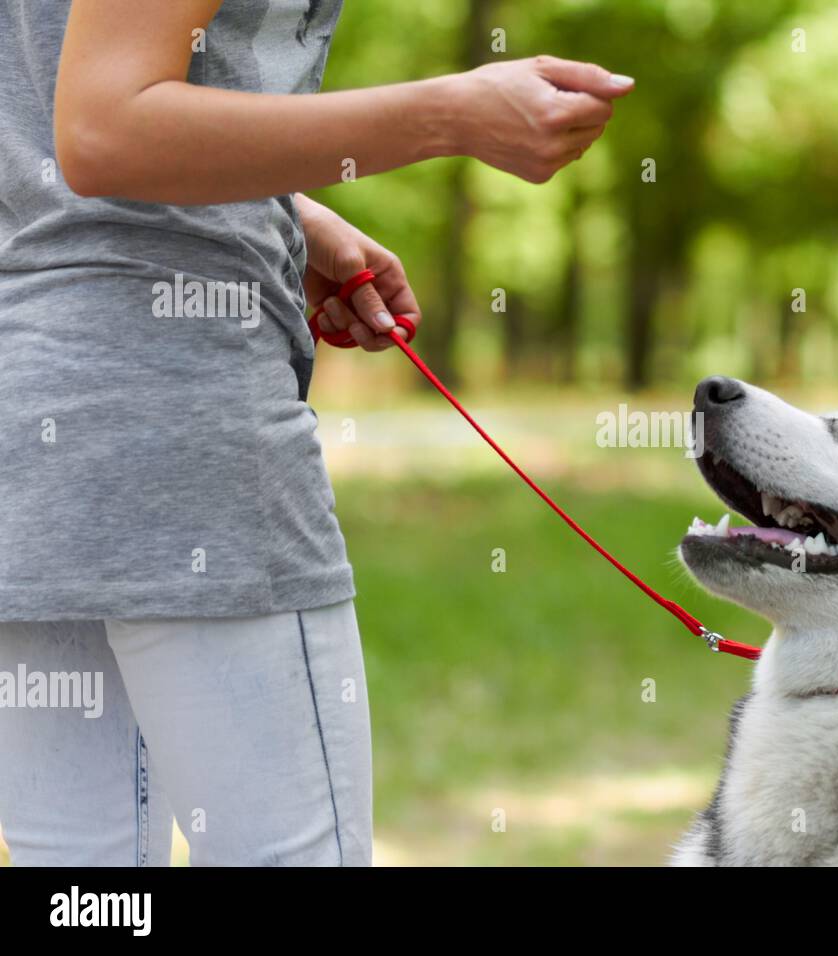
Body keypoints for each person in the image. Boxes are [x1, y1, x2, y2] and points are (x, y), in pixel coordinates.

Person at [0, 0, 632, 866]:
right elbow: (103, 128)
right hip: (182, 419)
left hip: (34, 426)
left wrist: (285, 217)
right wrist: (452, 115)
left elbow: (48, 119)